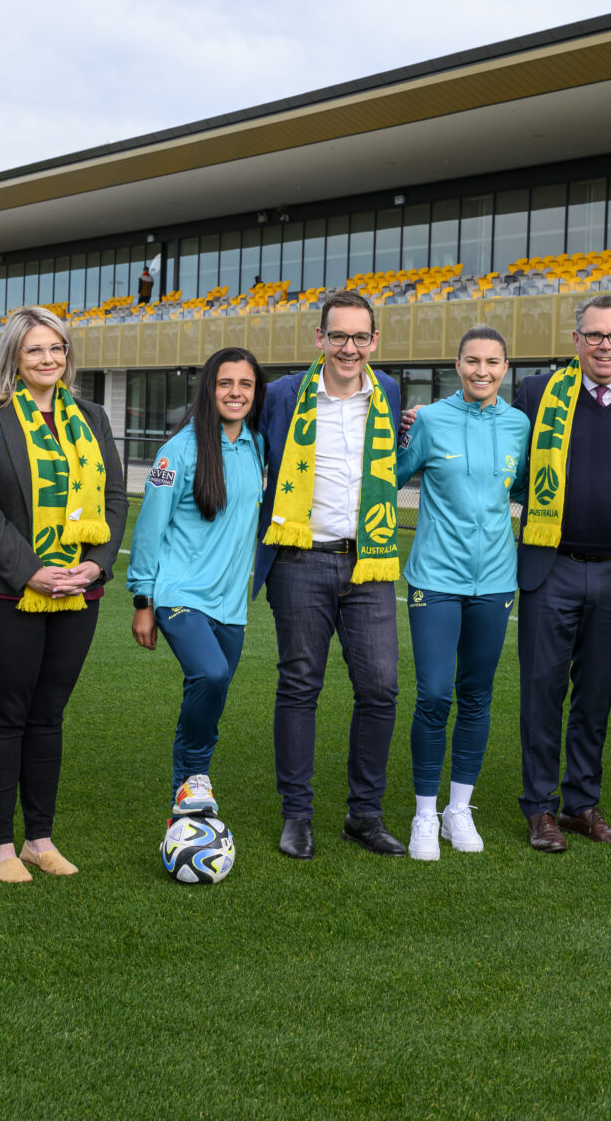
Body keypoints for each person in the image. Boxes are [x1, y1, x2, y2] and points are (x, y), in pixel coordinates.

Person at [0, 307, 126, 882]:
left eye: (57, 349)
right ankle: (1, 845)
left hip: (77, 591)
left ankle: (39, 839)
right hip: (2, 590)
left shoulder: (92, 416)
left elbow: (117, 500)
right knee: (5, 714)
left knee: (49, 714)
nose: (49, 359)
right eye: (35, 350)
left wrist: (95, 566)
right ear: (13, 358)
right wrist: (31, 571)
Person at [510, 294, 611, 852]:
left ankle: (581, 803)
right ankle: (539, 808)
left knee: (595, 695)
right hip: (549, 565)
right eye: (595, 335)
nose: (606, 345)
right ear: (575, 339)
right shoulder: (536, 393)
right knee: (542, 690)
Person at [253, 289, 406, 859]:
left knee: (381, 687)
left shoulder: (387, 392)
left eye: (359, 337)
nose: (348, 347)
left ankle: (364, 815)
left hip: (370, 561)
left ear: (373, 341)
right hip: (299, 559)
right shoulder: (282, 394)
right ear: (319, 339)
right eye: (337, 335)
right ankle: (298, 815)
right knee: (299, 686)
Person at [395, 325, 531, 860]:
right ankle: (424, 814)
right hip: (434, 579)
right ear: (457, 365)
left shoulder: (520, 424)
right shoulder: (428, 419)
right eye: (473, 361)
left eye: (493, 362)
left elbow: (522, 488)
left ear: (505, 368)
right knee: (433, 694)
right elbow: (389, 476)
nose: (482, 371)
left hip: (496, 581)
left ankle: (458, 811)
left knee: (476, 695)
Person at [129, 348, 267, 821]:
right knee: (209, 673)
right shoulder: (178, 451)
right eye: (225, 383)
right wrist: (143, 600)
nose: (235, 392)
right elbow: (149, 530)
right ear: (209, 390)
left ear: (255, 392)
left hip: (231, 604)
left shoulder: (258, 445)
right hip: (179, 594)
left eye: (244, 384)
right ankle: (191, 779)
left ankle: (188, 794)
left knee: (211, 690)